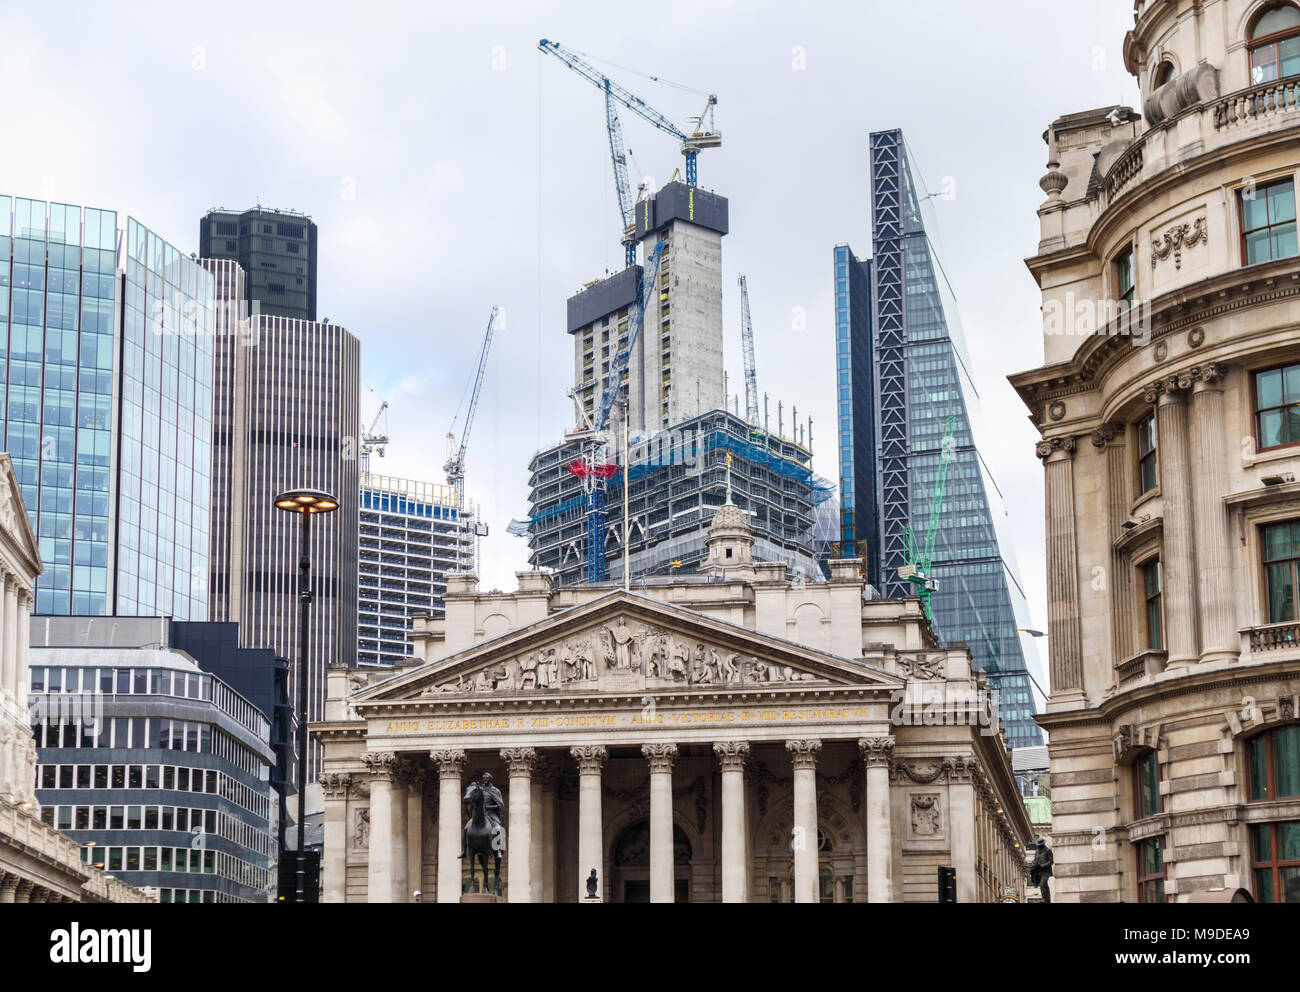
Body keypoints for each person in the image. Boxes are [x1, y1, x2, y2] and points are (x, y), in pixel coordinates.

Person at [459, 772, 506, 858]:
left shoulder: (495, 790)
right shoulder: (479, 790)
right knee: (466, 828)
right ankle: (463, 851)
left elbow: (499, 805)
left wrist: (488, 807)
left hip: (491, 813)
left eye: (486, 778)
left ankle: (498, 849)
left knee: (498, 827)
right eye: (483, 778)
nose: (484, 779)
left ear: (490, 779)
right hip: (480, 813)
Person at [1029, 836, 1054, 903]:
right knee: (1043, 886)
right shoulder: (1037, 851)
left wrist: (1043, 865)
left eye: (1040, 845)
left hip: (1046, 872)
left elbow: (1051, 861)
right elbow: (1035, 860)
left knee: (1043, 884)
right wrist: (1033, 865)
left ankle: (1045, 899)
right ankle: (1046, 899)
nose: (1039, 847)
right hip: (1038, 871)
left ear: (1043, 844)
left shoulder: (1048, 850)